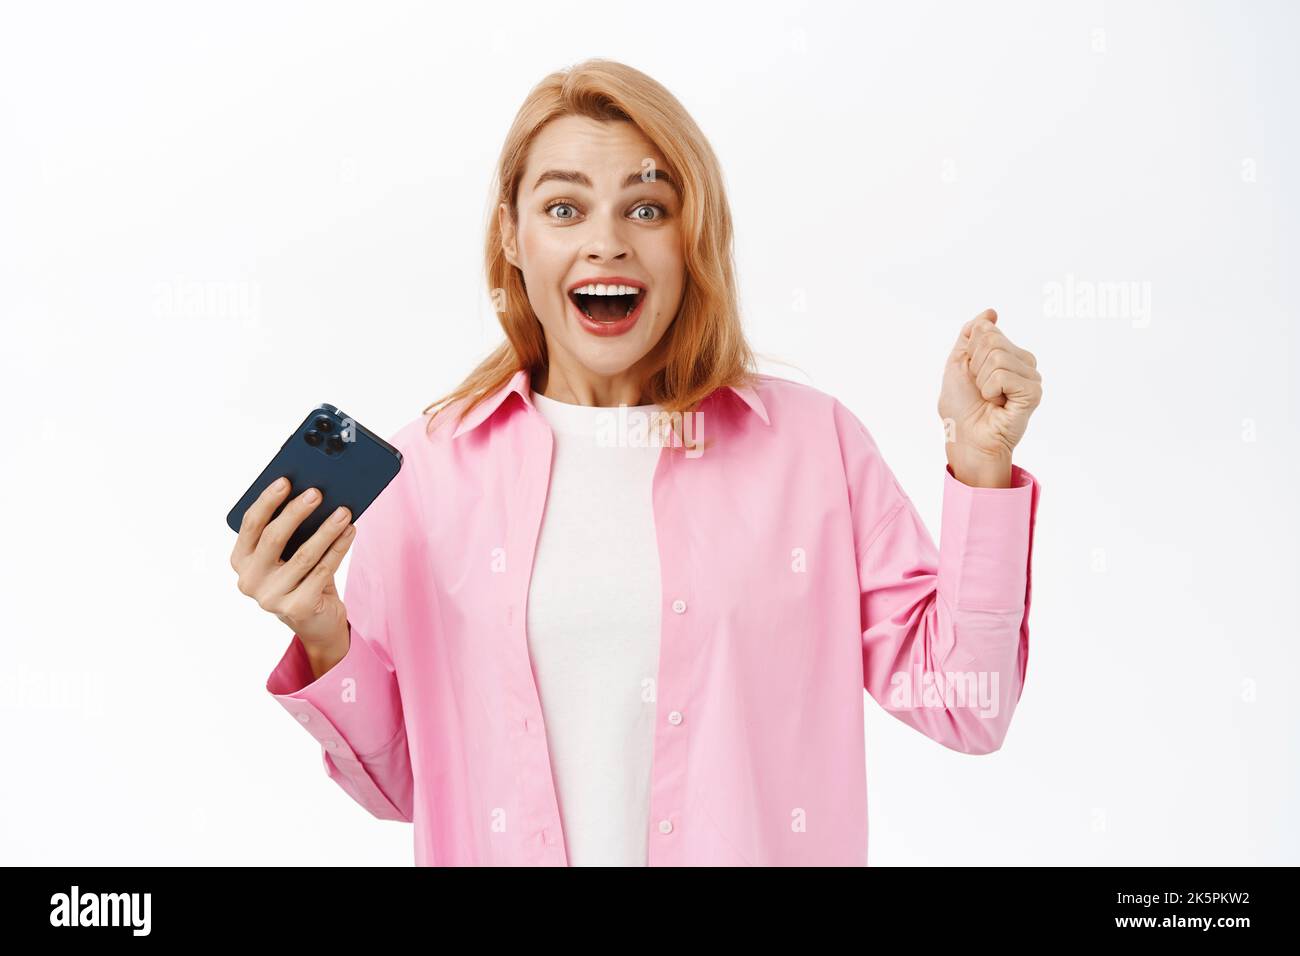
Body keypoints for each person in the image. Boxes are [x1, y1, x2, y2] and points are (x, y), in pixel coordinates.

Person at [229, 58, 1043, 866]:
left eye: (646, 208)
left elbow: (965, 706)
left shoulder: (813, 448)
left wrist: (981, 467)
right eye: (564, 208)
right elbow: (406, 789)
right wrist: (323, 634)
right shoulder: (428, 474)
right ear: (513, 234)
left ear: (691, 237)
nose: (606, 244)